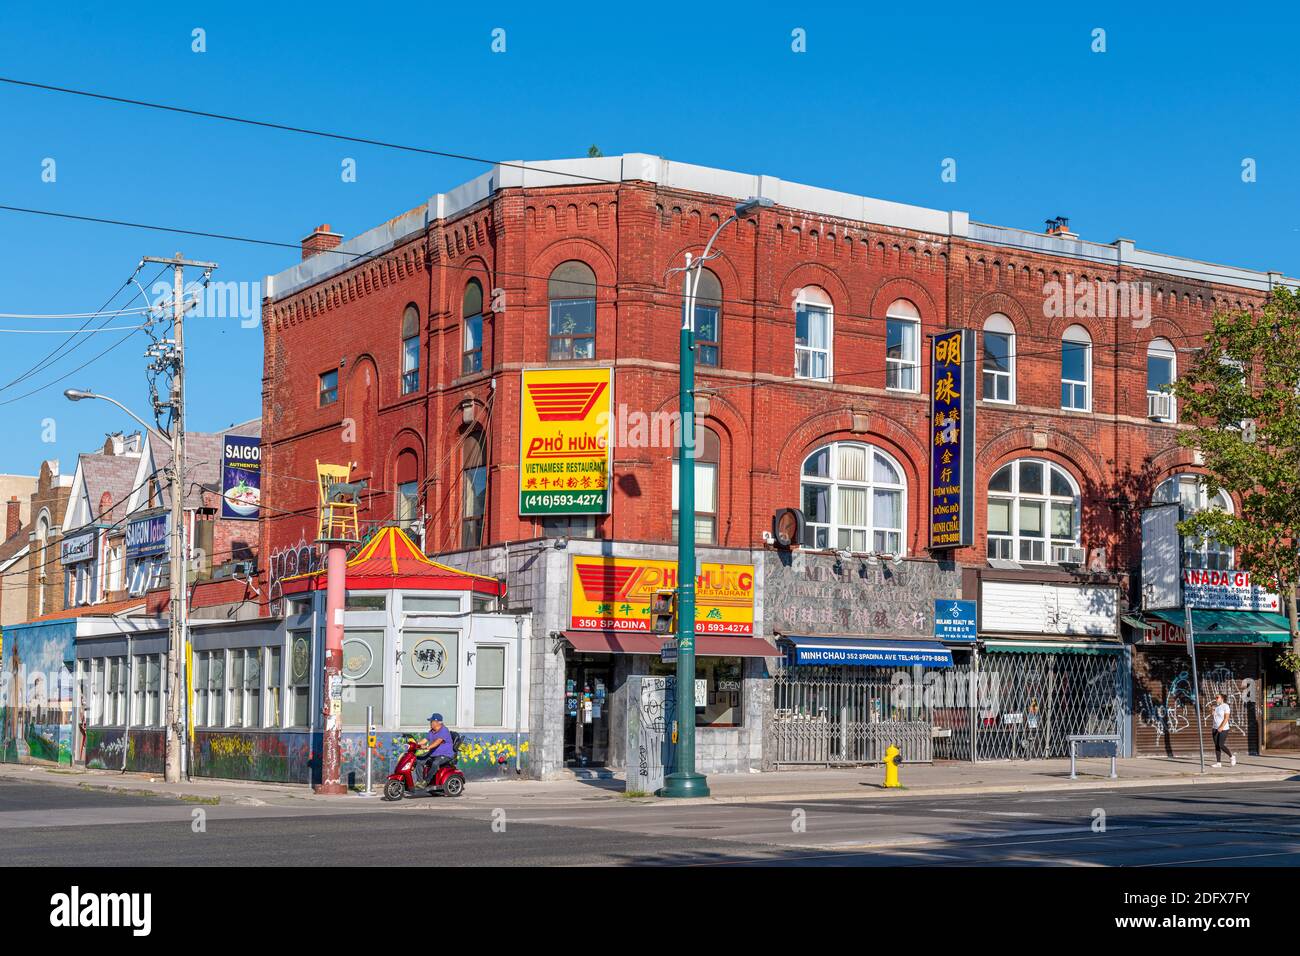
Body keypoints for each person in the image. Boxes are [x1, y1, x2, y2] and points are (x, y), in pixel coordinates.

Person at [418, 713, 456, 788]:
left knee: (435, 763)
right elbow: (425, 739)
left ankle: (426, 781)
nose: (430, 723)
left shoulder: (444, 730)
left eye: (431, 721)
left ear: (438, 722)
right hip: (433, 754)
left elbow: (437, 742)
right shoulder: (431, 731)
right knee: (419, 761)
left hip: (445, 755)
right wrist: (416, 744)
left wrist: (427, 747)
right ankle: (420, 781)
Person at [1211, 693, 1236, 768]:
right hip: (1215, 728)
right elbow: (1214, 716)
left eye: (1217, 697)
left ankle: (1231, 757)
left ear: (1222, 698)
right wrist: (1212, 710)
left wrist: (1221, 727)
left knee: (1221, 745)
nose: (1216, 698)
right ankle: (1218, 763)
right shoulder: (1217, 707)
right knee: (1217, 746)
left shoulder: (1226, 706)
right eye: (1215, 697)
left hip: (1223, 729)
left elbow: (1226, 718)